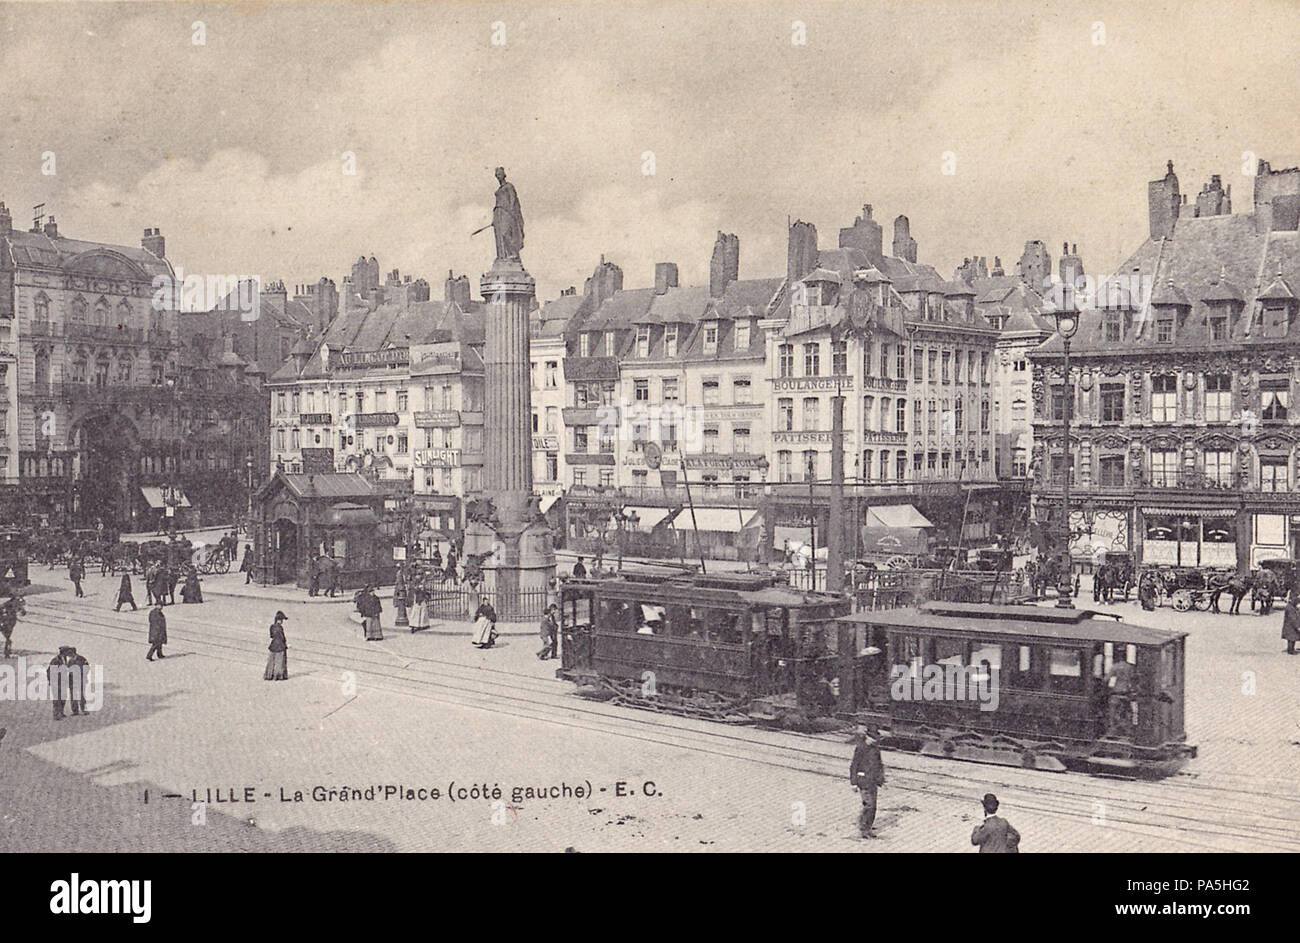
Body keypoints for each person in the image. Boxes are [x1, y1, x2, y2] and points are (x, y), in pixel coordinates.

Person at [849, 727, 885, 838]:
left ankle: (868, 827)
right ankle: (863, 829)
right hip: (863, 781)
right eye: (873, 738)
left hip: (873, 782)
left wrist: (881, 779)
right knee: (869, 805)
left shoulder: (875, 749)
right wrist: (853, 783)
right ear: (867, 737)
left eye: (876, 739)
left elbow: (879, 765)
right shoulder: (861, 748)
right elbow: (854, 765)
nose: (874, 741)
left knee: (873, 806)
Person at [48, 646, 87, 719]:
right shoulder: (55, 660)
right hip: (57, 683)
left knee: (63, 698)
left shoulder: (66, 659)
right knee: (57, 699)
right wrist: (52, 681)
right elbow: (50, 671)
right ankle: (56, 714)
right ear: (64, 652)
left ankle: (61, 712)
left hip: (64, 682)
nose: (68, 654)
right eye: (67, 652)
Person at [265, 611, 289, 680]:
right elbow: (282, 638)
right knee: (280, 661)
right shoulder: (280, 628)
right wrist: (286, 645)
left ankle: (269, 675)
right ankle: (278, 675)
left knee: (271, 661)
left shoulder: (272, 627)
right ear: (280, 620)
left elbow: (271, 636)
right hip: (280, 646)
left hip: (272, 646)